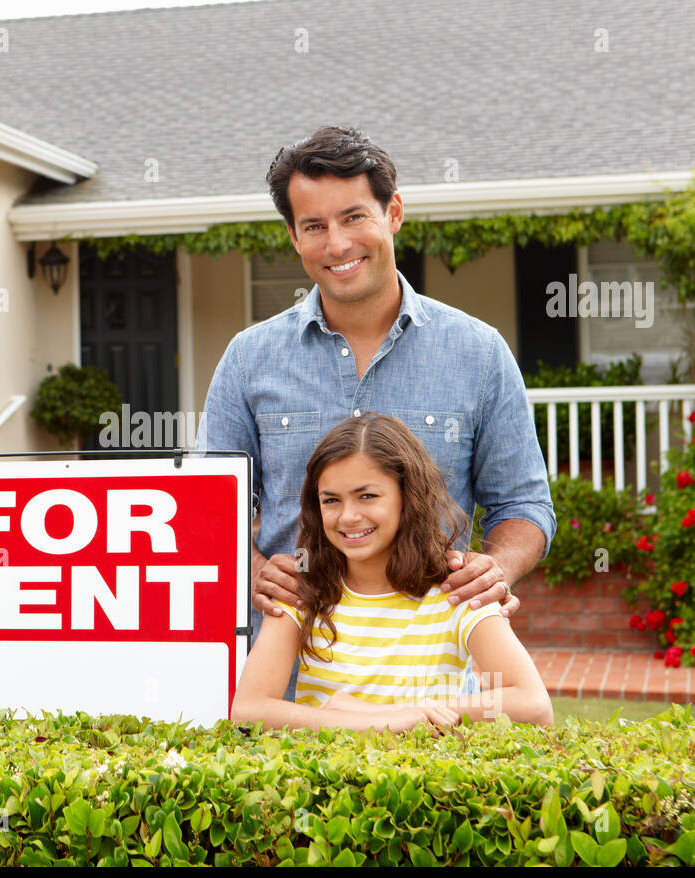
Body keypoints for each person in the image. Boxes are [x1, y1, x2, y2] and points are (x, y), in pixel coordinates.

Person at [195, 127, 555, 680]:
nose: (336, 244)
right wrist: (254, 571)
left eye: (353, 217)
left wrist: (496, 567)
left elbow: (525, 505)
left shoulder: (479, 353)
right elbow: (207, 509)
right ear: (293, 237)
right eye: (314, 226)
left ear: (393, 213)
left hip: (428, 690)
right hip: (282, 689)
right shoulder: (249, 359)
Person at [229, 415, 553, 732]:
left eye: (367, 496)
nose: (349, 516)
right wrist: (381, 721)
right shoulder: (301, 590)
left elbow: (533, 705)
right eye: (331, 500)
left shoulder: (458, 588)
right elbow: (248, 710)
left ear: (406, 497)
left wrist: (401, 714)